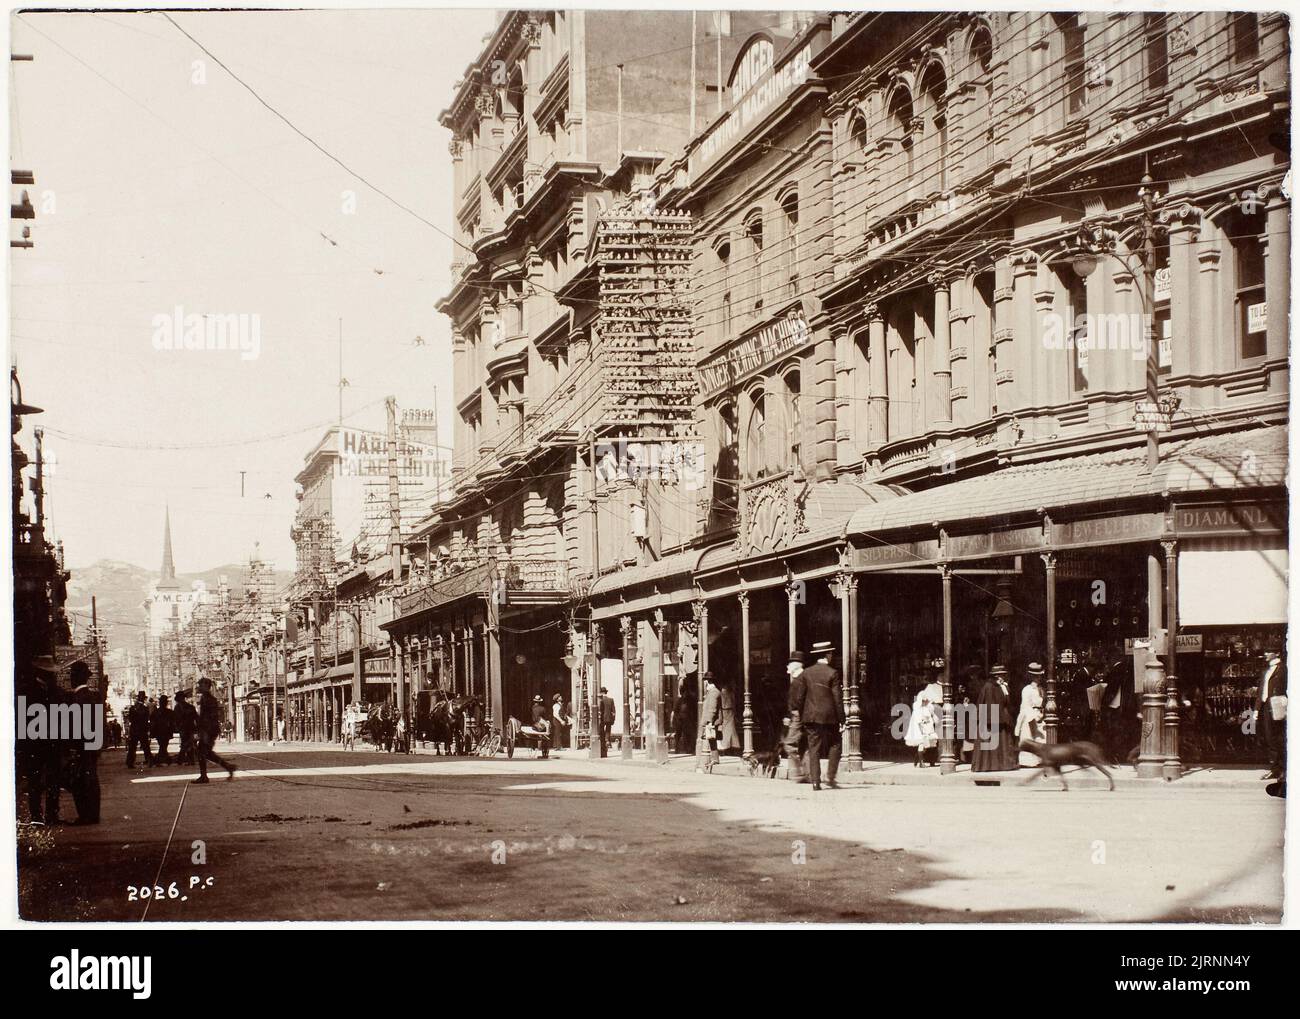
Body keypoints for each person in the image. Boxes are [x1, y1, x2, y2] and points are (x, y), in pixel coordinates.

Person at [789, 641, 844, 790]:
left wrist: (802, 715)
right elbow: (837, 698)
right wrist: (842, 719)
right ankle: (830, 777)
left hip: (811, 717)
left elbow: (799, 698)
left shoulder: (806, 673)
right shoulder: (832, 672)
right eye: (831, 653)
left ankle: (815, 782)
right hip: (829, 717)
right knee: (836, 744)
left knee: (814, 748)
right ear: (828, 655)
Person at [66, 662, 101, 825]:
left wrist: (73, 746)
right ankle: (92, 814)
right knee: (91, 778)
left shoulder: (78, 699)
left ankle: (85, 815)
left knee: (81, 780)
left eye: (72, 675)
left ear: (76, 677)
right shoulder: (92, 696)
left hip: (82, 745)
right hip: (92, 744)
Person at [971, 665, 1017, 772]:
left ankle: (1004, 764)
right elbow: (987, 704)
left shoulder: (1003, 686)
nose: (1003, 677)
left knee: (1003, 742)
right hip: (991, 720)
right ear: (996, 676)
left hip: (1002, 718)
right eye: (1001, 675)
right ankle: (988, 766)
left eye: (1004, 675)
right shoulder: (989, 687)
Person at [195, 676, 236, 783]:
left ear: (206, 686)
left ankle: (204, 776)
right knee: (206, 753)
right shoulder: (204, 698)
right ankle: (228, 767)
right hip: (207, 729)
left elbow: (211, 716)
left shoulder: (210, 699)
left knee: (202, 752)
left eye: (201, 685)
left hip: (209, 729)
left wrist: (205, 731)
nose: (199, 687)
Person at [1259, 650, 1287, 780]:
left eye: (1268, 652)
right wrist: (1256, 709)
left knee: (1279, 738)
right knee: (1270, 738)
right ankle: (1274, 769)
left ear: (1276, 653)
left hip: (1278, 705)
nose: (1265, 654)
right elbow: (1261, 691)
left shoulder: (1283, 669)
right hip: (1266, 706)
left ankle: (1283, 769)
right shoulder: (1266, 670)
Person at [1015, 663, 1046, 767]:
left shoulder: (1041, 689)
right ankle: (1027, 762)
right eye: (1036, 676)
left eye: (1040, 676)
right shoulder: (1027, 690)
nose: (1039, 678)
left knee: (1041, 737)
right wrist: (1034, 717)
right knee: (1029, 737)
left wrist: (1041, 715)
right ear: (1031, 676)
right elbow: (1025, 707)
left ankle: (1039, 760)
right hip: (1030, 717)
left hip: (1040, 715)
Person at [784, 653, 808, 782]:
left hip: (798, 716)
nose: (787, 666)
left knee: (789, 744)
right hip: (799, 715)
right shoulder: (800, 678)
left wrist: (792, 715)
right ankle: (807, 772)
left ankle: (799, 772)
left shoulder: (800, 679)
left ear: (795, 665)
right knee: (804, 744)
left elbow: (798, 701)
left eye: (789, 663)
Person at [905, 681, 940, 767]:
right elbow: (918, 721)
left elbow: (934, 718)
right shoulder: (917, 709)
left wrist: (935, 720)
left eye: (927, 700)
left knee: (932, 744)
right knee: (922, 744)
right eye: (924, 700)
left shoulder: (929, 708)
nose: (926, 701)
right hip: (922, 729)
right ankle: (921, 762)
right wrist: (922, 731)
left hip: (929, 728)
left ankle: (932, 761)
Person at [700, 672, 722, 772]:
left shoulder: (713, 692)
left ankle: (714, 759)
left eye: (705, 681)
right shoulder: (712, 692)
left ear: (707, 682)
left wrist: (709, 721)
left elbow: (712, 708)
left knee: (711, 739)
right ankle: (714, 759)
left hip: (712, 721)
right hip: (711, 720)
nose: (704, 684)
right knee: (711, 739)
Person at [125, 691, 153, 769]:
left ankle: (130, 762)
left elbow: (130, 719)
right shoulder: (145, 708)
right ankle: (149, 761)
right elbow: (147, 719)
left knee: (132, 747)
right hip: (142, 729)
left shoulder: (132, 708)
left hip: (134, 729)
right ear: (143, 698)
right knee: (145, 747)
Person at [523, 695, 553, 759]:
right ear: (540, 702)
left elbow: (529, 717)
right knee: (545, 737)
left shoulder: (532, 708)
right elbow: (545, 718)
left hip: (534, 725)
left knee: (533, 734)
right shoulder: (543, 708)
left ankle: (534, 746)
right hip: (541, 726)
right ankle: (544, 751)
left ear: (535, 701)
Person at [174, 690, 198, 765]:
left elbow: (176, 719)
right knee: (188, 743)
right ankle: (189, 760)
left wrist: (177, 727)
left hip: (184, 728)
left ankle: (181, 759)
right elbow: (196, 718)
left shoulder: (177, 707)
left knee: (186, 744)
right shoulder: (191, 707)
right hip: (190, 728)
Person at [151, 694, 176, 766]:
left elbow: (173, 722)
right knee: (163, 745)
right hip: (162, 731)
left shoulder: (166, 712)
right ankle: (164, 758)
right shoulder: (158, 712)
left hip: (164, 731)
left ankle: (161, 758)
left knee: (163, 745)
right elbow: (153, 722)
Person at [718, 682, 741, 755]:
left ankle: (726, 746)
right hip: (728, 711)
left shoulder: (722, 693)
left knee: (728, 730)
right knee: (730, 730)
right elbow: (733, 703)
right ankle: (731, 746)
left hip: (726, 711)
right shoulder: (730, 693)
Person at [599, 686, 616, 758]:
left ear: (602, 693)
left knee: (601, 731)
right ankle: (607, 741)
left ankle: (604, 742)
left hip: (602, 718)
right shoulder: (611, 700)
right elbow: (614, 711)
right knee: (608, 730)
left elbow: (600, 711)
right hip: (609, 718)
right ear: (606, 692)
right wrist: (613, 719)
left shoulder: (601, 700)